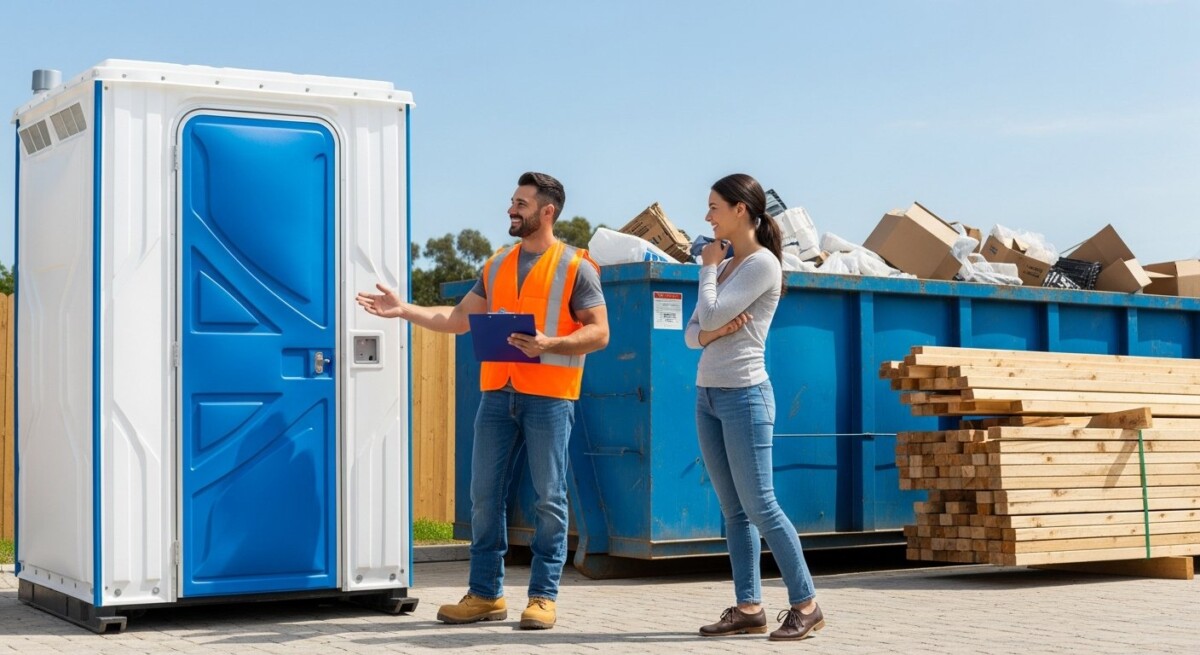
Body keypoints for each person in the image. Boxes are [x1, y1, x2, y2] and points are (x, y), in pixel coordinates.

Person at [357, 172, 608, 630]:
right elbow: (456, 319)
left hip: (550, 399)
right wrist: (403, 310)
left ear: (547, 211)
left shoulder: (577, 266)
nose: (512, 209)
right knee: (483, 498)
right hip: (498, 396)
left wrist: (547, 343)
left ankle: (542, 597)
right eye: (512, 202)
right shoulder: (496, 265)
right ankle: (485, 594)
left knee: (549, 498)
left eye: (521, 203)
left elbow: (599, 332)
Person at [684, 173, 825, 642]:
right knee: (734, 510)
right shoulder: (727, 267)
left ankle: (806, 603)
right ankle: (749, 607)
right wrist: (714, 329)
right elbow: (691, 335)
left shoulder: (761, 264)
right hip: (707, 394)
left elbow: (711, 314)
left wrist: (707, 274)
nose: (707, 217)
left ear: (740, 210)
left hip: (745, 395)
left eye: (714, 208)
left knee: (762, 505)